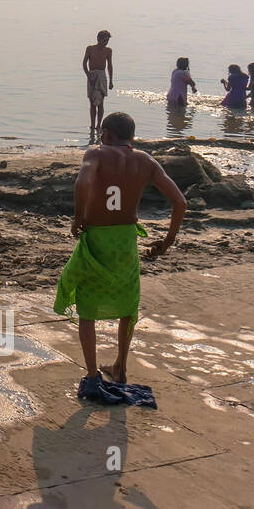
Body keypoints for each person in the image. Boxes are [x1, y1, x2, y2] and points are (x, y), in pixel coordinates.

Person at [55, 112, 186, 397]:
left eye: (103, 132)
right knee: (128, 305)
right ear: (132, 137)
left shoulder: (97, 153)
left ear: (108, 134)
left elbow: (82, 183)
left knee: (87, 304)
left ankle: (92, 375)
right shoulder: (146, 161)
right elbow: (180, 201)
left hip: (98, 240)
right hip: (126, 240)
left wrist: (78, 216)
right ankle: (121, 367)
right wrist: (167, 240)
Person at [82, 31, 114, 135]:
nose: (106, 42)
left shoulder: (108, 51)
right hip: (92, 75)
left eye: (107, 40)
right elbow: (84, 63)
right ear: (98, 39)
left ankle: (98, 125)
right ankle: (92, 125)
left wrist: (111, 81)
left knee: (100, 102)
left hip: (102, 76)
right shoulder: (90, 48)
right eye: (104, 40)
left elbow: (109, 66)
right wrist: (88, 75)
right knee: (92, 102)